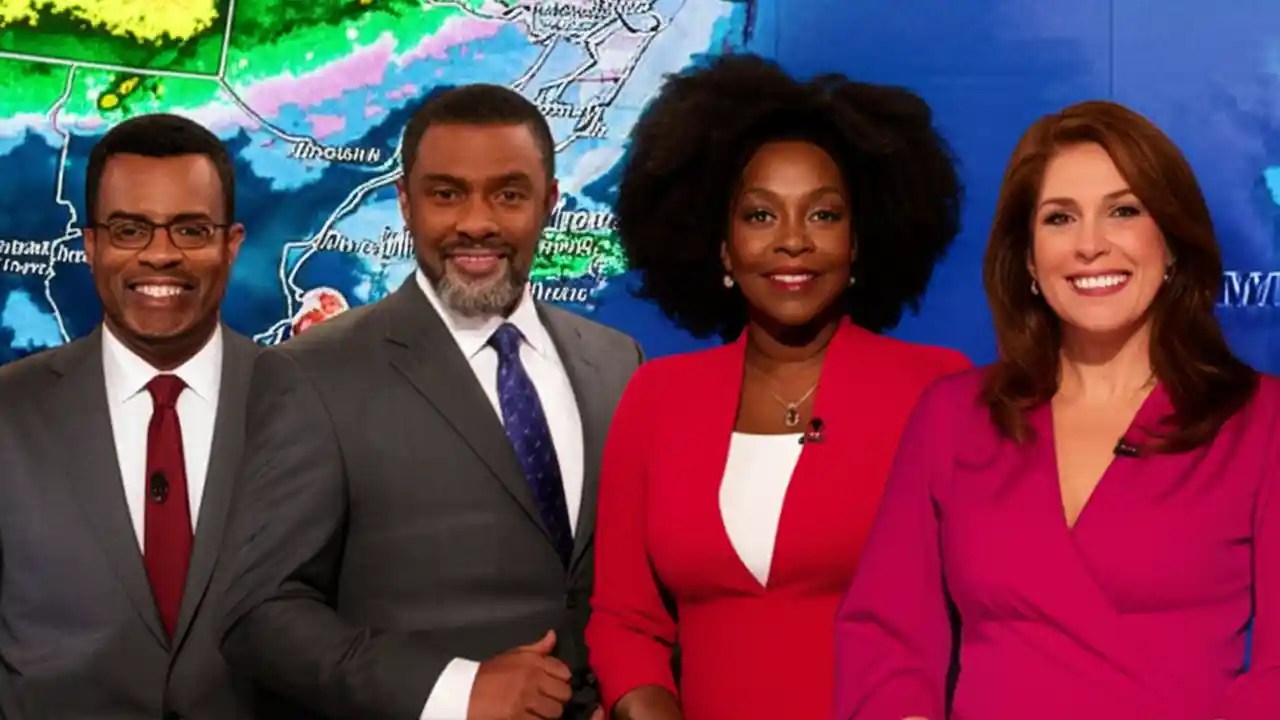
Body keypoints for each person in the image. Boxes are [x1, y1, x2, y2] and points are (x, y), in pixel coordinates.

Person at [832, 99, 1280, 719]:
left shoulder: (1259, 423)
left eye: (1123, 211)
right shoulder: (953, 417)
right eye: (1059, 219)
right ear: (1028, 260)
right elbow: (888, 635)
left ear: (1172, 243)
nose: (1090, 245)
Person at [216, 84, 643, 720]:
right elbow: (261, 614)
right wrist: (456, 690)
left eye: (508, 193)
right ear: (405, 205)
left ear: (549, 203)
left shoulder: (616, 362)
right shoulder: (312, 375)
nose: (476, 221)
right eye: (447, 194)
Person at [584, 54, 971, 720]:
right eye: (761, 217)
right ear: (723, 247)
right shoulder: (657, 397)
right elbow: (624, 622)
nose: (792, 241)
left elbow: (986, 613)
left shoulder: (934, 389)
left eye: (822, 216)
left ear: (858, 241)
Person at [0, 113, 258, 718]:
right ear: (91, 245)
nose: (161, 256)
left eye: (191, 231)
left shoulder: (304, 403)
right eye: (130, 230)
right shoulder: (8, 414)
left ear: (231, 244)